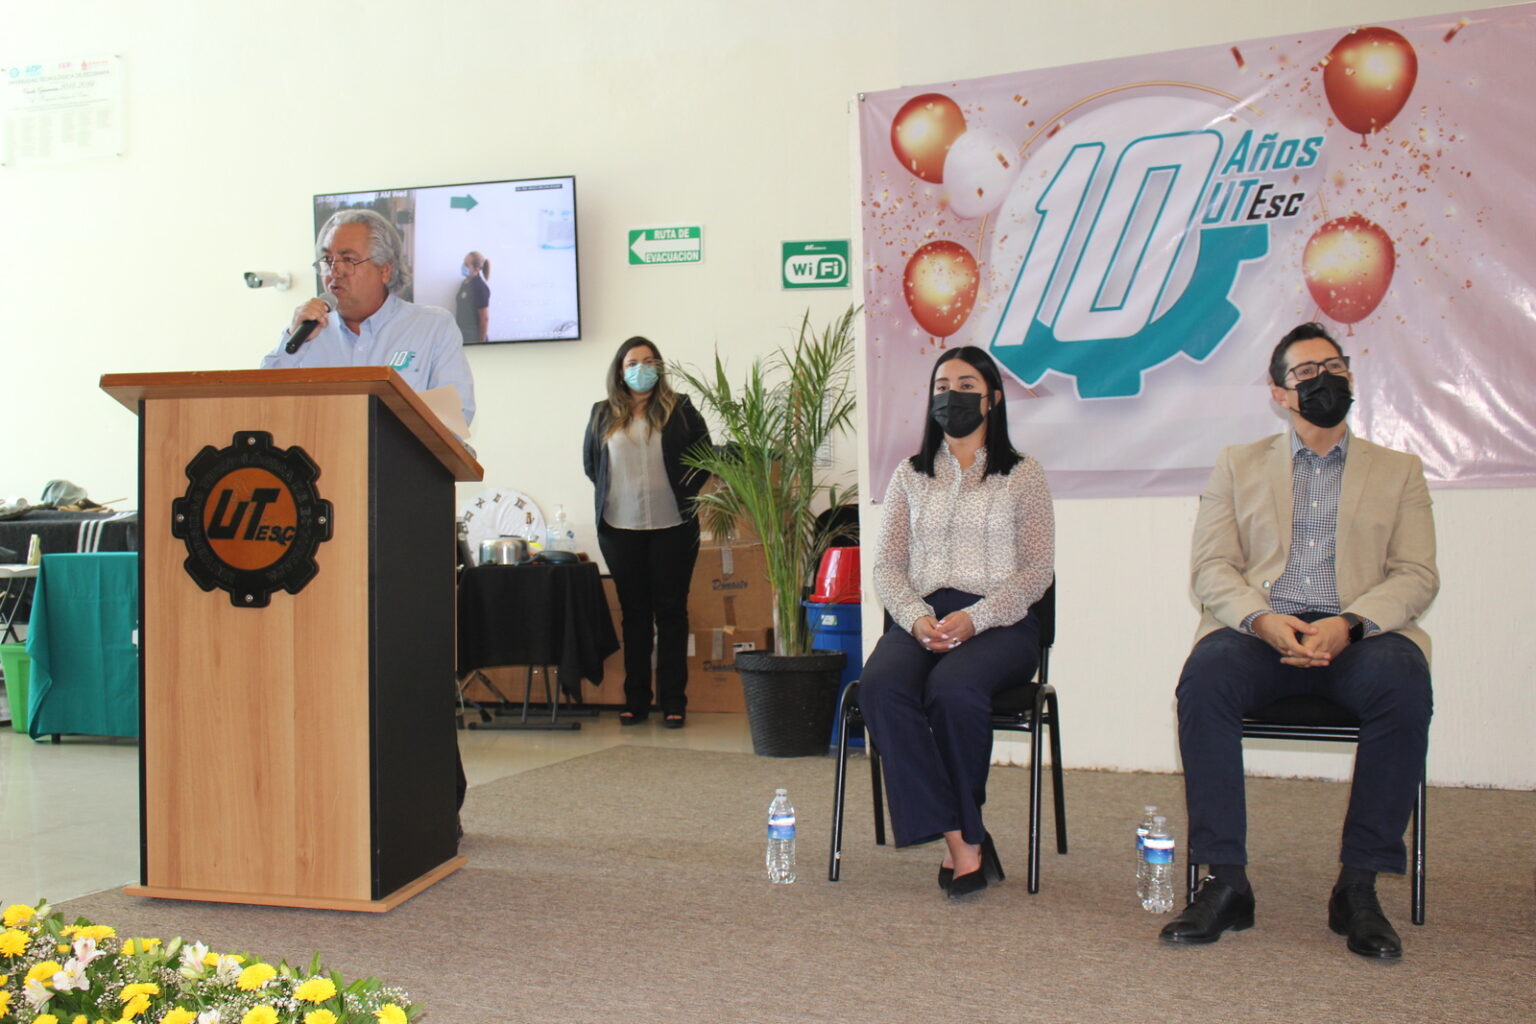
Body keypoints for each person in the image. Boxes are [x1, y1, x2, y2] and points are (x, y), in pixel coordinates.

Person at [1160, 322, 1437, 959]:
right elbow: (1212, 569)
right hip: (1263, 631)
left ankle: (1359, 887)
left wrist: (1351, 624)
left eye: (1334, 367)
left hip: (1359, 635)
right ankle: (1225, 881)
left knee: (1404, 681)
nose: (1324, 381)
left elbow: (1417, 574)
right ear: (1280, 394)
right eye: (1306, 373)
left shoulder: (1399, 471)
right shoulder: (1238, 464)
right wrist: (1261, 619)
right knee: (1204, 679)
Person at [859, 345, 1054, 900]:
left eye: (966, 384)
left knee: (953, 690)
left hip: (1002, 621)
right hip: (921, 617)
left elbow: (1038, 571)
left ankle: (963, 838)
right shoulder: (910, 475)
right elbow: (887, 565)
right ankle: (962, 838)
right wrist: (918, 618)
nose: (951, 395)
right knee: (881, 686)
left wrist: (977, 616)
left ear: (992, 398)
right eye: (942, 385)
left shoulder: (1023, 474)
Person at [583, 337, 712, 728]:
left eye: (650, 360)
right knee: (635, 616)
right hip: (620, 528)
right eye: (634, 362)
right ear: (620, 371)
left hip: (672, 526)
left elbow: (704, 456)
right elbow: (592, 465)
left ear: (659, 367)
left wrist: (686, 491)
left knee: (671, 613)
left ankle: (674, 702)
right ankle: (636, 700)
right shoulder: (602, 413)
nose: (643, 368)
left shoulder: (681, 408)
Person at [262, 208, 476, 425]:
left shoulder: (432, 326)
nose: (334, 272)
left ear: (385, 270)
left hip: (397, 458)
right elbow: (262, 403)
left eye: (348, 259)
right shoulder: (309, 332)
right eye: (327, 259)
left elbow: (455, 415)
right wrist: (293, 337)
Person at [456, 251, 491, 344]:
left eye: (466, 264)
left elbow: (484, 319)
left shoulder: (480, 288)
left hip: (473, 337)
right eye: (464, 263)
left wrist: (480, 343)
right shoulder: (465, 283)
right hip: (462, 334)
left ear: (476, 268)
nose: (463, 266)